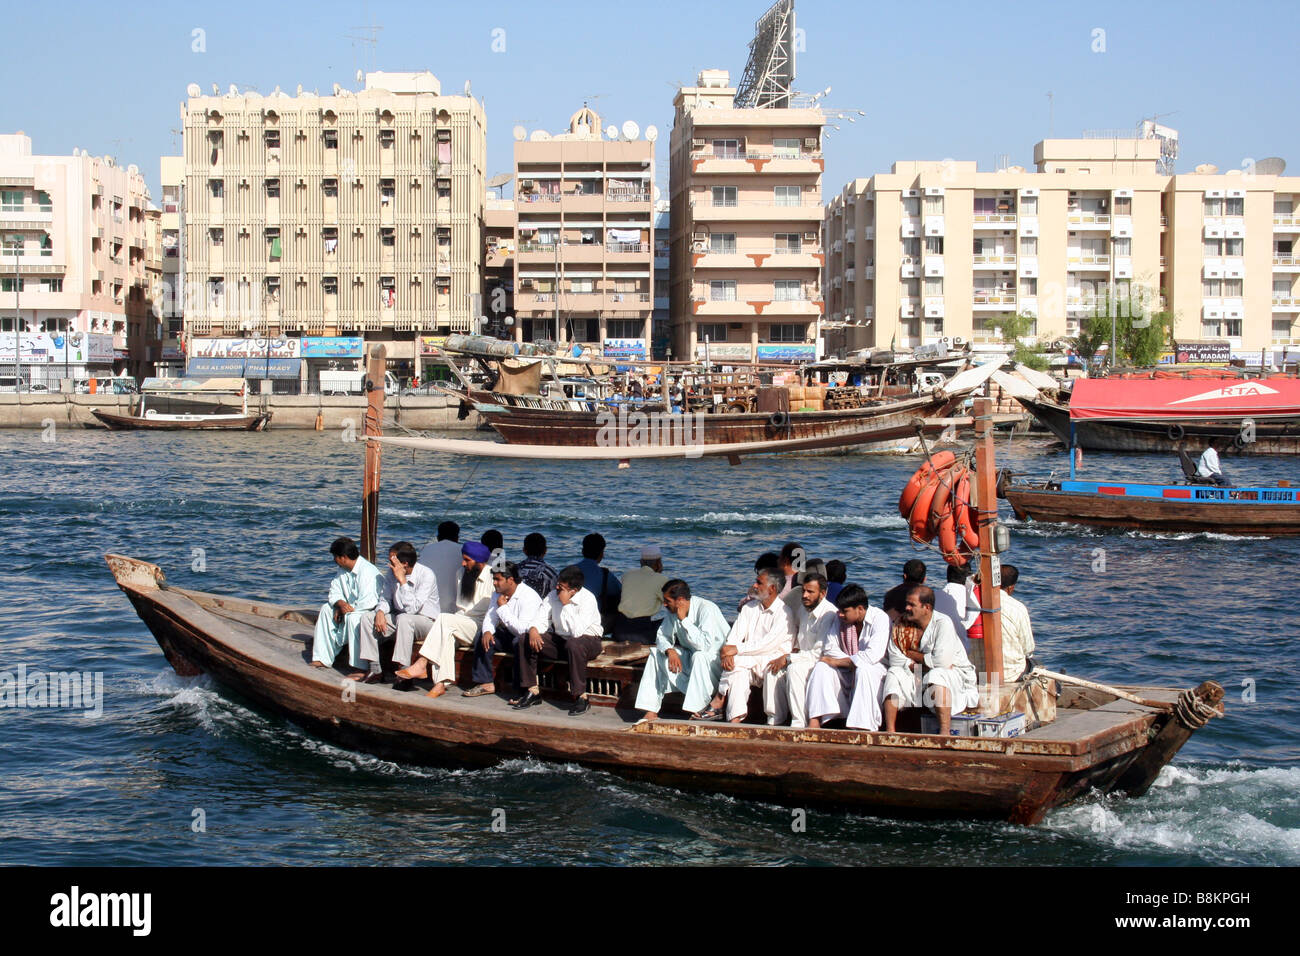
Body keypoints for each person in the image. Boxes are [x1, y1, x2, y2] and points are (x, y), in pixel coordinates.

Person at [695, 568, 795, 723]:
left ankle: (719, 700)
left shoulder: (784, 612)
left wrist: (736, 650)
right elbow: (735, 635)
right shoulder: (749, 608)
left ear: (772, 588)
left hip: (772, 658)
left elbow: (768, 644)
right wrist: (728, 651)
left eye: (759, 583)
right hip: (751, 659)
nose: (754, 585)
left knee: (738, 661)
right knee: (736, 670)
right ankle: (735, 718)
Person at [394, 541, 494, 696]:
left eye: (467, 560)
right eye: (463, 558)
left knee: (444, 620)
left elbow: (491, 614)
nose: (462, 563)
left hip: (480, 626)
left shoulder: (492, 576)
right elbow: (460, 606)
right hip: (459, 622)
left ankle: (422, 662)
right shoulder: (460, 573)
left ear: (480, 561)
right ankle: (440, 683)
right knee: (446, 636)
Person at [882, 586, 978, 735]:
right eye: (906, 603)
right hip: (914, 671)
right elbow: (895, 657)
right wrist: (919, 663)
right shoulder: (900, 622)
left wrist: (913, 655)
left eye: (911, 605)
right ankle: (890, 732)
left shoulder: (943, 623)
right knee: (893, 673)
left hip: (951, 673)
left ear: (926, 607)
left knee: (937, 675)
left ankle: (944, 732)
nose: (906, 608)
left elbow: (941, 662)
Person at [515, 565, 605, 715]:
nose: (556, 587)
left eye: (561, 587)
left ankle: (581, 696)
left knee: (574, 644)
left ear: (573, 591)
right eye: (558, 583)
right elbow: (541, 619)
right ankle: (532, 690)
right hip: (562, 641)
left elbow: (577, 632)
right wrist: (534, 630)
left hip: (588, 641)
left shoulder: (588, 599)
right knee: (525, 638)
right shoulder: (552, 595)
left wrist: (566, 604)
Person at [635, 580, 729, 722]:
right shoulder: (673, 612)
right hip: (694, 659)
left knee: (699, 656)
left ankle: (698, 709)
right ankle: (651, 710)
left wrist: (684, 620)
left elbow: (704, 646)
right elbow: (661, 636)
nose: (664, 605)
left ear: (680, 600)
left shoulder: (707, 609)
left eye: (667, 601)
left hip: (716, 663)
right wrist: (669, 650)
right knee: (656, 654)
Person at [807, 584, 891, 730]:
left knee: (864, 670)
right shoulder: (840, 619)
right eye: (839, 610)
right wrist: (846, 662)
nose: (840, 614)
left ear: (859, 609)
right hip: (846, 666)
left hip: (876, 670)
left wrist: (840, 661)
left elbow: (873, 656)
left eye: (844, 611)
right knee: (822, 666)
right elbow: (830, 648)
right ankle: (815, 720)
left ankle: (862, 726)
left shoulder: (880, 618)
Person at [464, 561, 548, 704]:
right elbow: (490, 617)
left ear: (510, 580)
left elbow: (523, 630)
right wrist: (488, 631)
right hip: (510, 634)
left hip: (527, 639)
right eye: (494, 579)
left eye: (498, 579)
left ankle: (520, 690)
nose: (495, 583)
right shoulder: (498, 594)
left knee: (518, 642)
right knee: (483, 636)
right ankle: (485, 683)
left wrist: (503, 608)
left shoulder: (528, 596)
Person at [762, 571, 838, 728]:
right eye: (804, 590)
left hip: (820, 664)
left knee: (795, 669)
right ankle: (774, 720)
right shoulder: (803, 610)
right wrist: (789, 654)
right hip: (801, 658)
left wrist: (789, 658)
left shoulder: (829, 614)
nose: (804, 595)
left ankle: (799, 723)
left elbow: (818, 653)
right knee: (772, 669)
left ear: (822, 594)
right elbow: (796, 639)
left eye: (810, 592)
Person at [358, 541, 439, 681]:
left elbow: (412, 609)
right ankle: (374, 668)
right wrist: (380, 613)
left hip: (425, 622)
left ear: (405, 564)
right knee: (367, 618)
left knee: (404, 618)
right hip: (401, 619)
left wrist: (402, 581)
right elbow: (385, 599)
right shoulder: (391, 574)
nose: (389, 564)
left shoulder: (426, 575)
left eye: (392, 560)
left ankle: (404, 671)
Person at [311, 536, 384, 680]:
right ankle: (322, 657)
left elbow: (368, 603)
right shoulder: (343, 570)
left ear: (343, 557)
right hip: (348, 610)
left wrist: (346, 609)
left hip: (367, 613)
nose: (334, 561)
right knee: (326, 609)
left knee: (354, 618)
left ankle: (361, 667)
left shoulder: (368, 572)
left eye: (335, 557)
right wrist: (340, 603)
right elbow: (335, 591)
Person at [614, 546, 669, 643]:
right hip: (641, 634)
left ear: (641, 562)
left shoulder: (627, 575)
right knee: (671, 621)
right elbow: (672, 604)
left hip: (619, 631)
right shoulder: (661, 579)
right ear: (658, 563)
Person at [998, 564, 1036, 683]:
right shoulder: (1018, 608)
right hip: (1011, 674)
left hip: (981, 673)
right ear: (1011, 587)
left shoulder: (975, 603)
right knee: (1035, 664)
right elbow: (1028, 649)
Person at [576, 533, 621, 632]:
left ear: (583, 551)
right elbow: (620, 592)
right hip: (593, 623)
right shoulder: (604, 574)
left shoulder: (569, 571)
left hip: (570, 620)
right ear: (601, 554)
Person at [418, 521, 463, 614]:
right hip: (455, 611)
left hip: (427, 610)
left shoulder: (426, 550)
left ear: (438, 538)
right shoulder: (464, 552)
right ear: (457, 538)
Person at [517, 532, 558, 600]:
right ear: (545, 550)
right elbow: (555, 593)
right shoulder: (549, 572)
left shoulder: (515, 569)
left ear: (524, 550)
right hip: (541, 608)